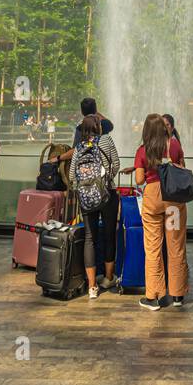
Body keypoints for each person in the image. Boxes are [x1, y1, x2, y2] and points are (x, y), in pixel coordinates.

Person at [134, 113, 189, 311]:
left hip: (152, 198)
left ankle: (154, 296)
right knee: (176, 245)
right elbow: (182, 167)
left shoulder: (142, 150)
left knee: (153, 247)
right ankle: (177, 294)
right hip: (173, 197)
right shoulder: (174, 145)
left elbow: (140, 180)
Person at [70, 114, 121, 298]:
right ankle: (108, 278)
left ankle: (92, 287)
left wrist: (84, 189)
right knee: (109, 235)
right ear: (98, 127)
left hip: (86, 197)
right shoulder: (106, 140)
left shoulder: (79, 147)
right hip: (107, 194)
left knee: (90, 238)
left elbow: (71, 177)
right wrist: (106, 180)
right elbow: (116, 163)